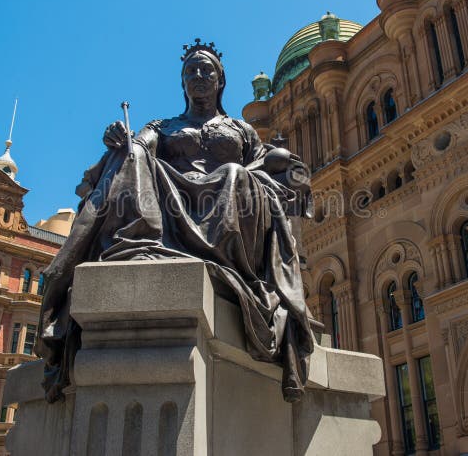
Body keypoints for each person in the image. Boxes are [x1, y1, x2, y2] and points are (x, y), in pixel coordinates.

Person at [35, 39, 314, 403]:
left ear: (220, 80)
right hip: (173, 203)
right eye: (190, 71)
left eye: (206, 70)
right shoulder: (164, 126)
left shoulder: (242, 130)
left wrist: (287, 169)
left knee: (233, 174)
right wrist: (120, 140)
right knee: (131, 155)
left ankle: (209, 255)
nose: (198, 76)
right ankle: (138, 242)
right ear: (182, 83)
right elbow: (140, 147)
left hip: (229, 204)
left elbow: (263, 166)